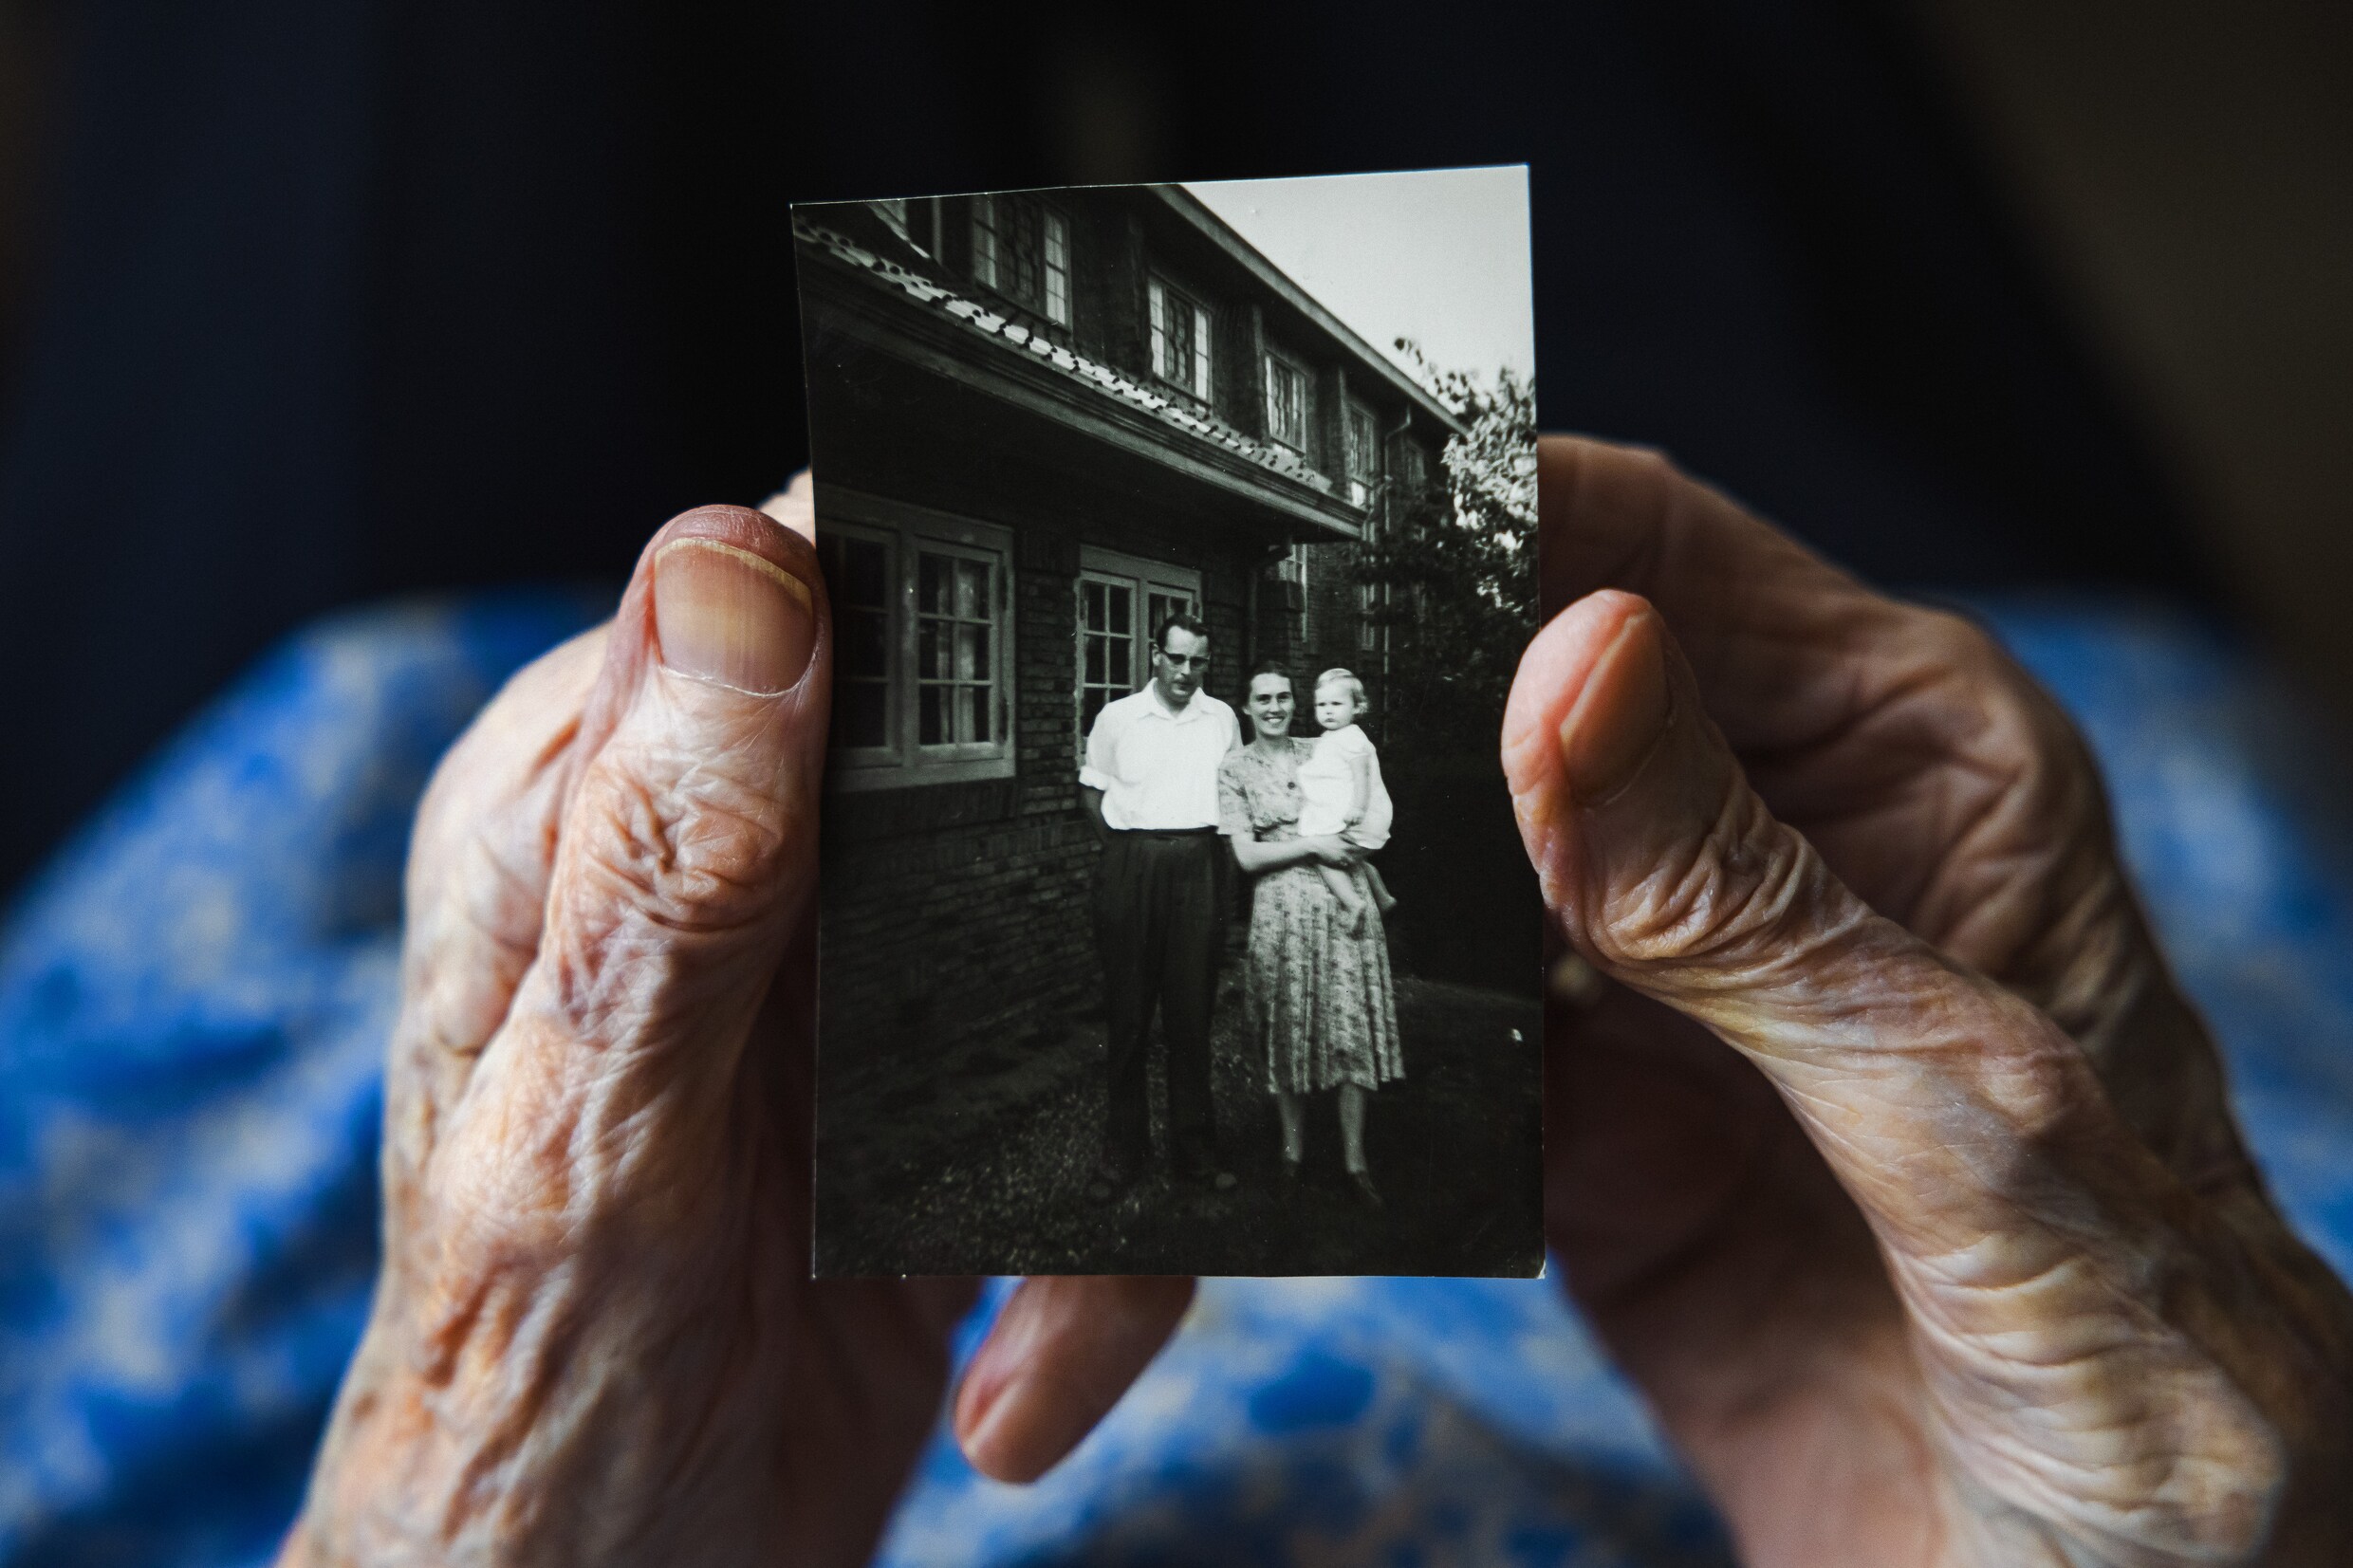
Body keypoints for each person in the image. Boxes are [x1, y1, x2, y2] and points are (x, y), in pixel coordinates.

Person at [277, 444, 2353, 1567]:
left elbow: (1322, 813)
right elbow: (1159, 791)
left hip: (326, 720)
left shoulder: (1284, 747)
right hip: (2015, 737)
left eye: (1285, 692)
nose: (1267, 701)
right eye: (1264, 688)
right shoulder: (1196, 733)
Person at [1219, 662, 1403, 1208]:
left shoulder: (1323, 745)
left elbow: (1366, 795)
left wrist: (1354, 845)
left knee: (1349, 1025)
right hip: (1281, 906)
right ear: (1247, 708)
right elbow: (1248, 855)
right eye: (1263, 699)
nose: (1275, 707)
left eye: (1283, 697)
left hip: (1342, 896)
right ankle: (1292, 1154)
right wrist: (1313, 847)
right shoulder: (1234, 769)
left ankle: (1354, 1161)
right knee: (1290, 1024)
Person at [1077, 611, 1242, 1194]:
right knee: (1127, 1018)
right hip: (1131, 866)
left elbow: (1236, 797)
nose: (1186, 671)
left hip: (1200, 865)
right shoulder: (1117, 718)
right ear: (1155, 654)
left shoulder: (1222, 719)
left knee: (1191, 1017)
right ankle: (1122, 1152)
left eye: (1198, 661)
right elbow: (1091, 795)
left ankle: (1194, 1151)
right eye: (1176, 658)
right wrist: (1129, 854)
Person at [1293, 666, 1399, 937]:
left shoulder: (1352, 738)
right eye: (1322, 704)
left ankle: (1353, 903)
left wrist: (1357, 808)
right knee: (1350, 857)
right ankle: (1383, 895)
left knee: (1320, 852)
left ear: (1357, 707)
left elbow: (1361, 778)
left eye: (1337, 704)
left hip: (1361, 814)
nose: (1328, 710)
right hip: (1356, 815)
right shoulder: (1333, 737)